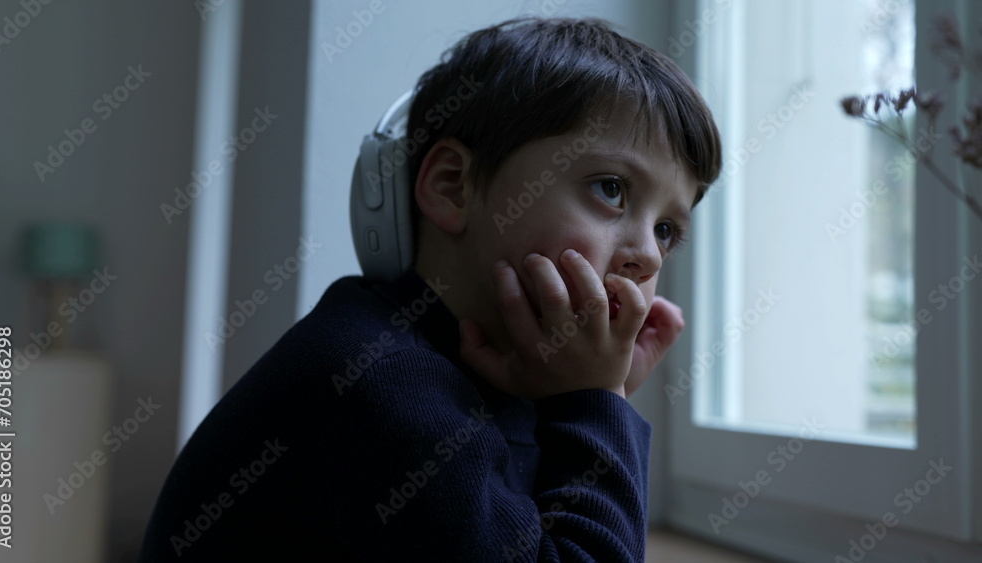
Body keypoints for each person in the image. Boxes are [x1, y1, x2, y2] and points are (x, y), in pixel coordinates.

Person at [137, 15, 721, 562]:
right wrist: (594, 406)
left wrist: (566, 402)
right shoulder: (382, 382)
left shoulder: (440, 364)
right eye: (612, 189)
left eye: (668, 230)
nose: (647, 253)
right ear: (451, 187)